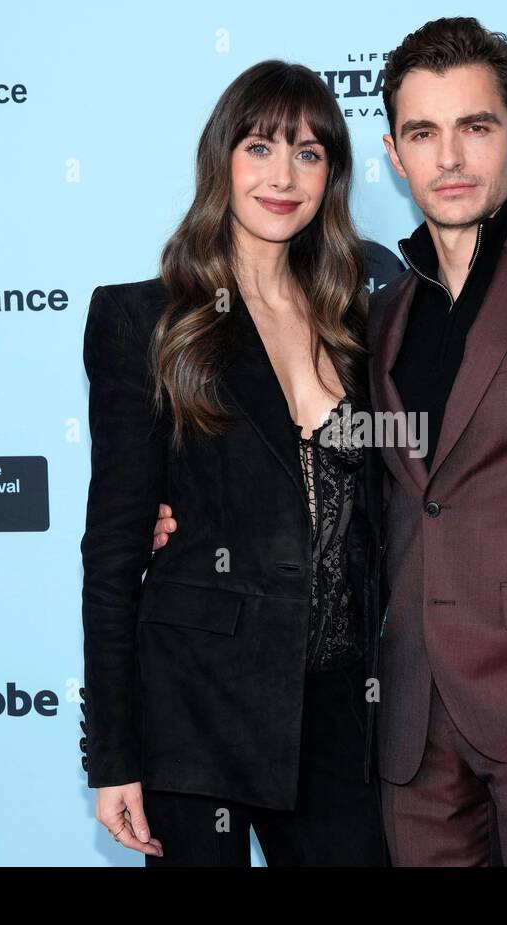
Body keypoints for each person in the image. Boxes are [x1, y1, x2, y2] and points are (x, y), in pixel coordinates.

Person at [153, 16, 507, 866]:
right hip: (409, 734)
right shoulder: (378, 317)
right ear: (393, 153)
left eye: (476, 127)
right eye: (423, 132)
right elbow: (352, 492)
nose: (449, 158)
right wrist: (191, 526)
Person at [78, 59, 387, 866]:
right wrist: (113, 757)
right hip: (195, 707)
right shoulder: (145, 319)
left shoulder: (363, 323)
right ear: (222, 159)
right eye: (261, 148)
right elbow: (112, 556)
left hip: (339, 709)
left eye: (310, 154)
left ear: (333, 176)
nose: (284, 176)